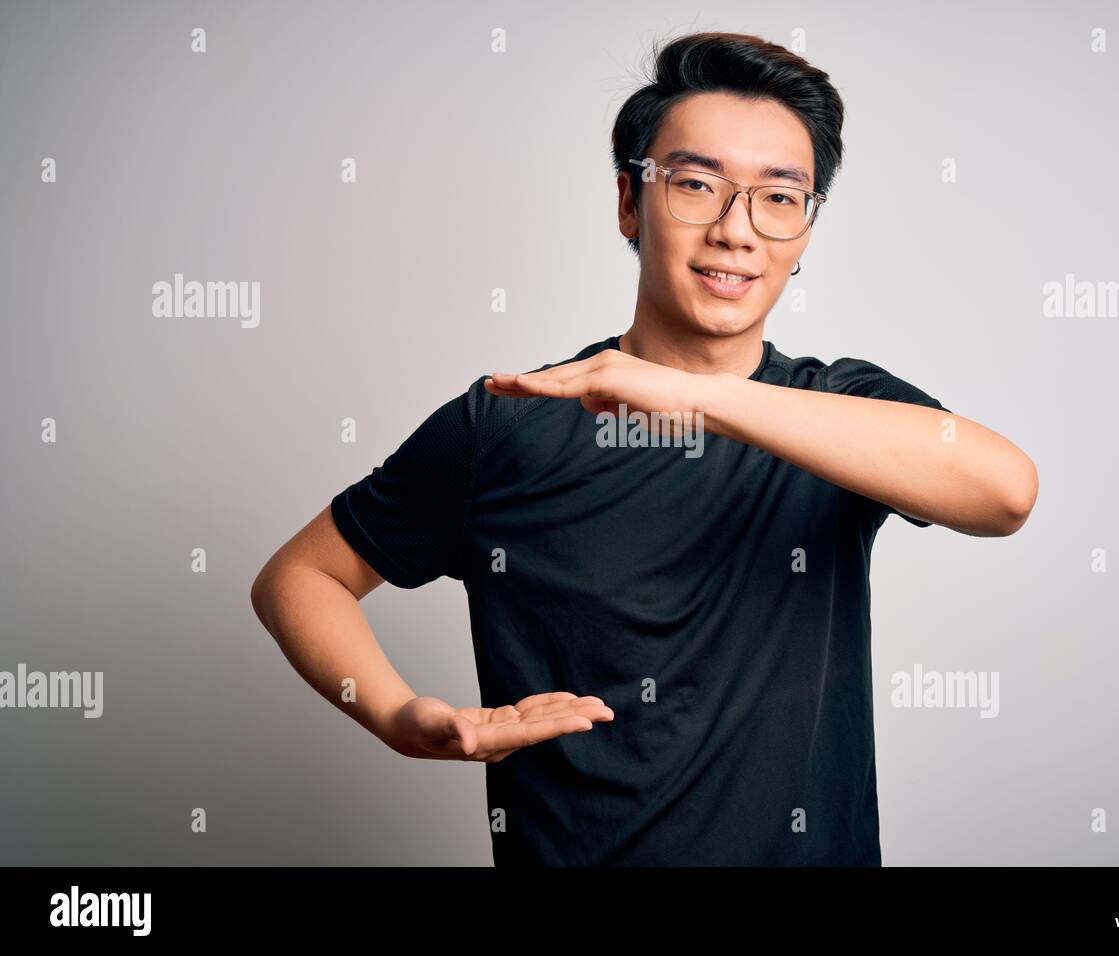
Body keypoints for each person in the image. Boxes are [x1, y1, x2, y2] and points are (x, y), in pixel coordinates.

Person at [251, 31, 1038, 865]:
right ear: (629, 202)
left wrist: (700, 396)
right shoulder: (512, 421)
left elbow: (1005, 492)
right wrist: (395, 715)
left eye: (779, 198)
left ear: (804, 232)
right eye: (697, 185)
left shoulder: (839, 411)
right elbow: (298, 577)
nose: (737, 231)